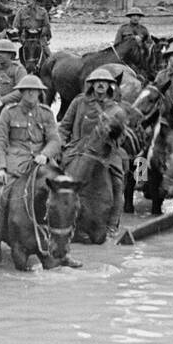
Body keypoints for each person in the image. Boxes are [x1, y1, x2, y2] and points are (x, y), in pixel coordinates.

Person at [0, 74, 63, 260]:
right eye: (27, 90)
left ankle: (63, 248)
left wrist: (45, 155)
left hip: (42, 162)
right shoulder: (8, 112)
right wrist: (0, 168)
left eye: (34, 90)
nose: (31, 94)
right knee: (0, 194)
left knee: (64, 194)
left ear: (40, 92)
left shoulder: (46, 113)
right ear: (21, 93)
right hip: (16, 162)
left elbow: (55, 139)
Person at [59, 67, 127, 236]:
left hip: (106, 152)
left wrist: (112, 134)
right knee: (57, 177)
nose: (100, 85)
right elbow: (64, 126)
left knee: (118, 184)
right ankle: (58, 219)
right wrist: (59, 145)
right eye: (97, 82)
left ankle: (113, 225)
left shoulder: (117, 110)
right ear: (91, 85)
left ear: (111, 86)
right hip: (78, 149)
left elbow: (122, 137)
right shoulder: (79, 102)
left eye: (105, 82)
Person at [11, 0, 51, 67]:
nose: (28, 1)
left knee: (49, 56)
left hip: (39, 38)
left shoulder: (43, 12)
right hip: (25, 38)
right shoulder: (21, 11)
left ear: (35, 0)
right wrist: (17, 32)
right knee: (17, 55)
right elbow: (16, 25)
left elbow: (47, 26)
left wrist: (39, 32)